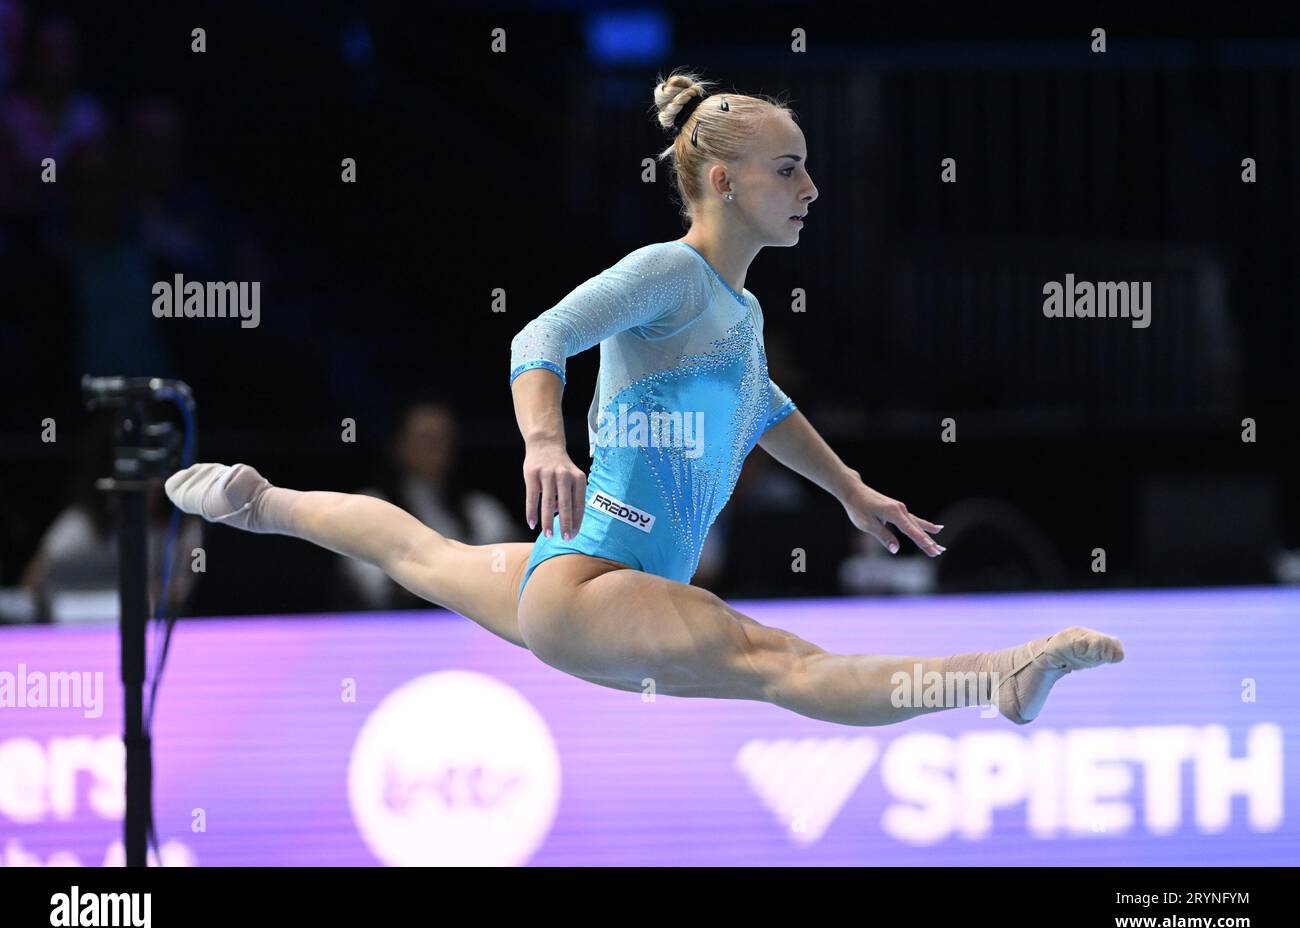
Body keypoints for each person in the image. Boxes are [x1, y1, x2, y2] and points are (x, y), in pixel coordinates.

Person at [164, 70, 1123, 726]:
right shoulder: (670, 272)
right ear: (722, 180)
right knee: (788, 668)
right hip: (594, 585)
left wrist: (847, 488)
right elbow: (538, 337)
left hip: (574, 579)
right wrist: (543, 442)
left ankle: (257, 501)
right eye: (788, 168)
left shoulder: (735, 313)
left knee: (418, 550)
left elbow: (760, 407)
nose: (812, 187)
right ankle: (997, 675)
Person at [337, 400, 520, 609]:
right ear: (398, 445)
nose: (436, 448)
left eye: (443, 439)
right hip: (398, 629)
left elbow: (509, 577)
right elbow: (377, 591)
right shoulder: (368, 507)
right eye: (425, 439)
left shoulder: (481, 510)